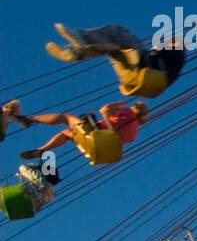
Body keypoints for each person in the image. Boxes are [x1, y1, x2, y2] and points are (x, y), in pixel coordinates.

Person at [45, 24, 186, 93]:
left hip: (144, 69)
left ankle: (81, 41)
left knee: (117, 32)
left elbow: (158, 53)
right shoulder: (174, 65)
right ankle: (76, 53)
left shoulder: (176, 54)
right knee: (111, 48)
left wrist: (162, 46)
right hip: (133, 79)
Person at [13, 100, 148, 160]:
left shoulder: (128, 113)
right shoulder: (134, 134)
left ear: (136, 109)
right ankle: (40, 151)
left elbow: (104, 111)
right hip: (97, 150)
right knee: (68, 134)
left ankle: (30, 119)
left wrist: (116, 105)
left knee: (66, 118)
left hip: (96, 133)